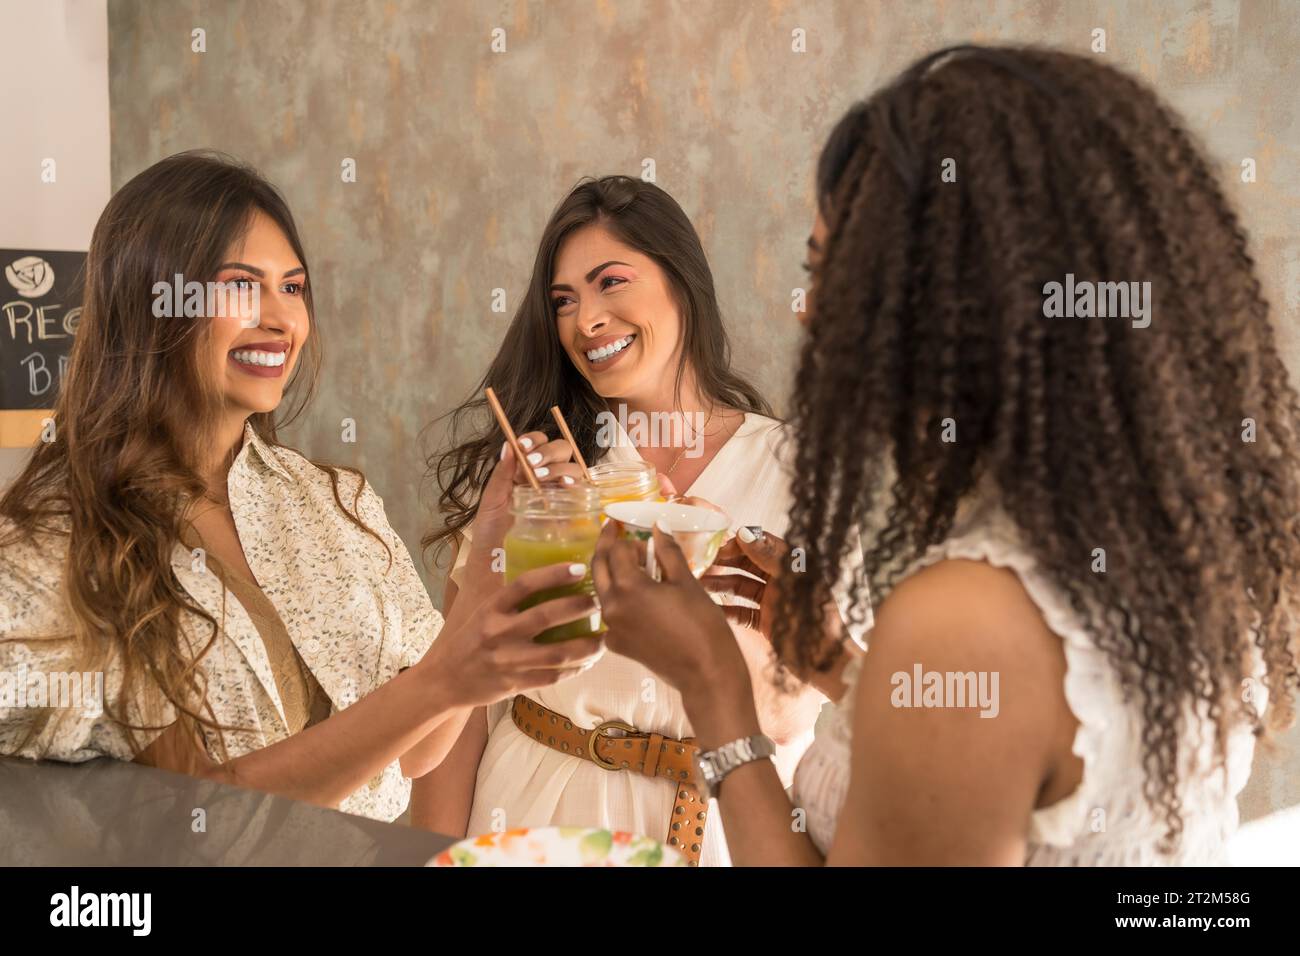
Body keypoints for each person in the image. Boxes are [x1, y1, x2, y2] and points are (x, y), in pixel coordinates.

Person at [589, 45, 1300, 865]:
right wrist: (845, 671)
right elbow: (988, 773)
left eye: (839, 277)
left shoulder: (964, 620)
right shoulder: (1176, 564)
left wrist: (713, 688)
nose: (810, 314)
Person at [0, 151, 603, 823]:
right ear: (151, 301)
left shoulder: (335, 504)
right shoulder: (49, 548)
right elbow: (193, 824)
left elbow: (418, 751)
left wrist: (488, 568)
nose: (282, 319)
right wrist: (447, 678)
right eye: (241, 286)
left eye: (293, 287)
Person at [420, 176, 847, 865]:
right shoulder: (540, 472)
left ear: (681, 281)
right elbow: (459, 707)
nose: (584, 320)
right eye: (564, 301)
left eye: (610, 282)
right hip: (535, 815)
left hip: (733, 834)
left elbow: (848, 700)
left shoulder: (805, 472)